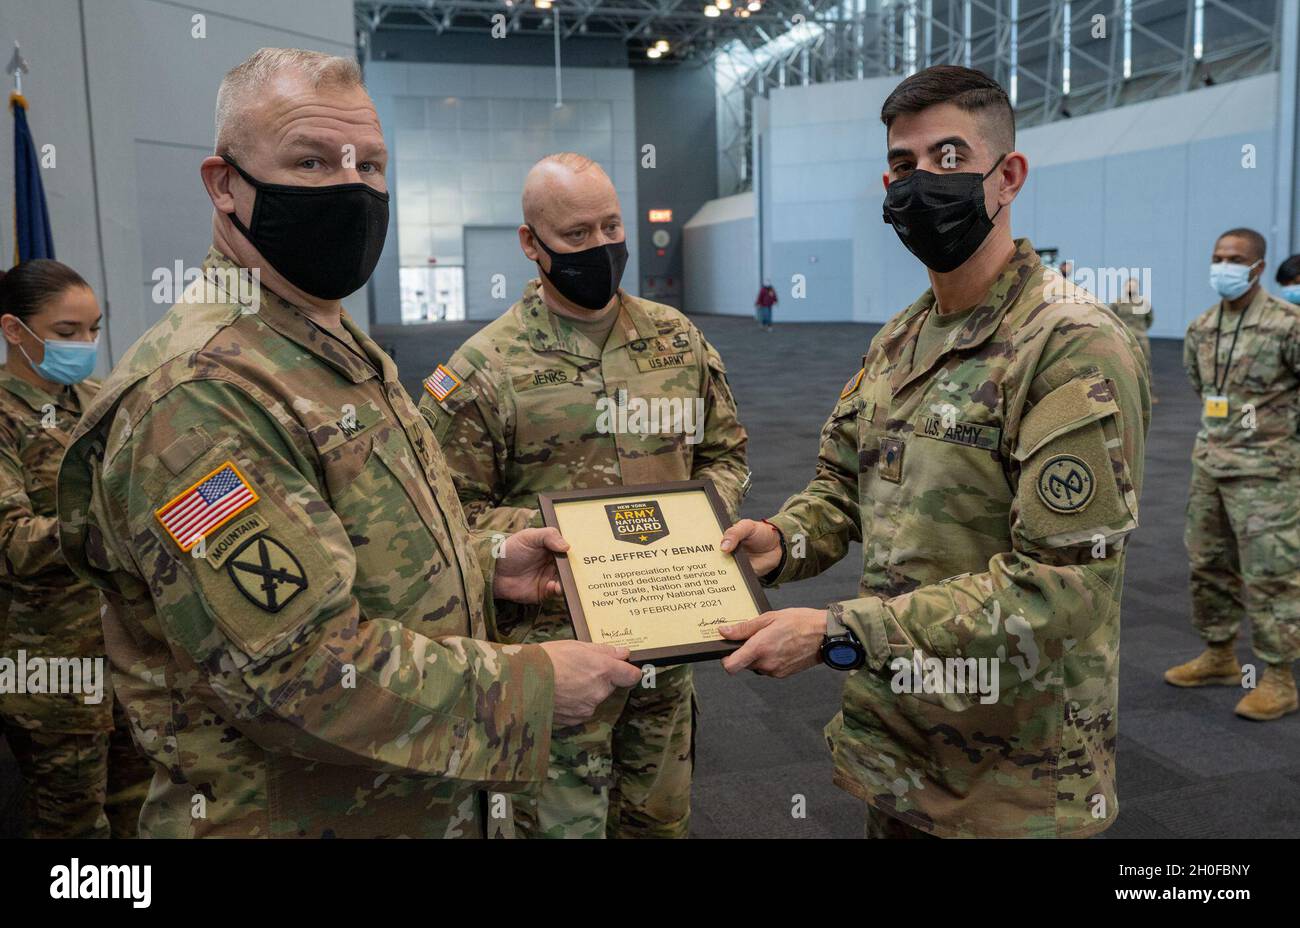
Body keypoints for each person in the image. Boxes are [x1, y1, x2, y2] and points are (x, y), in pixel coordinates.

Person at [55, 48, 640, 838]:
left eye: (369, 164)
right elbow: (296, 672)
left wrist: (486, 562)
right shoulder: (196, 397)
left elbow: (356, 550)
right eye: (311, 161)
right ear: (224, 184)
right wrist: (529, 689)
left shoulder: (323, 343)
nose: (352, 188)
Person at [715, 65, 1149, 838]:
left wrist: (840, 633)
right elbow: (844, 487)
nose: (922, 182)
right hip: (899, 752)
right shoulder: (901, 339)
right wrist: (780, 543)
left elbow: (1062, 588)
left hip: (1013, 781)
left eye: (949, 157)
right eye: (904, 164)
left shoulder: (1071, 345)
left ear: (1007, 176)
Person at [420, 152, 750, 838]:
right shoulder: (484, 369)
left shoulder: (676, 340)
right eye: (576, 235)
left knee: (660, 822)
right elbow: (444, 520)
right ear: (531, 242)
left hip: (668, 641)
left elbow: (723, 453)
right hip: (554, 661)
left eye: (611, 226)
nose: (601, 246)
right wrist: (549, 541)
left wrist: (700, 526)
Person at [0, 259, 151, 837]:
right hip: (51, 667)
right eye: (67, 332)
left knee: (142, 810)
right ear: (14, 329)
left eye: (93, 329)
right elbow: (11, 544)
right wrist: (111, 524)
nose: (85, 344)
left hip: (126, 650)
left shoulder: (97, 399)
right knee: (72, 826)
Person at [1165, 228, 1300, 721]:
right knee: (1208, 562)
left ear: (1258, 267)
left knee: (1271, 573)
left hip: (1269, 471)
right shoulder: (1202, 327)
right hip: (1211, 463)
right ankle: (1220, 655)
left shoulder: (1288, 324)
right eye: (1218, 257)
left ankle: (1280, 677)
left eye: (1235, 259)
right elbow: (1201, 386)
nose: (1224, 266)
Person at [1108, 276, 1155, 400]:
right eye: (1128, 285)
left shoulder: (1144, 303)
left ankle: (1148, 394)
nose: (1131, 287)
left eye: (1133, 285)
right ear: (1124, 287)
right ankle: (1120, 392)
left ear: (1137, 287)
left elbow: (1149, 319)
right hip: (1122, 338)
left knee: (1144, 365)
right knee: (1120, 363)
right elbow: (1110, 317)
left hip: (1140, 339)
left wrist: (1141, 331)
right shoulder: (1117, 303)